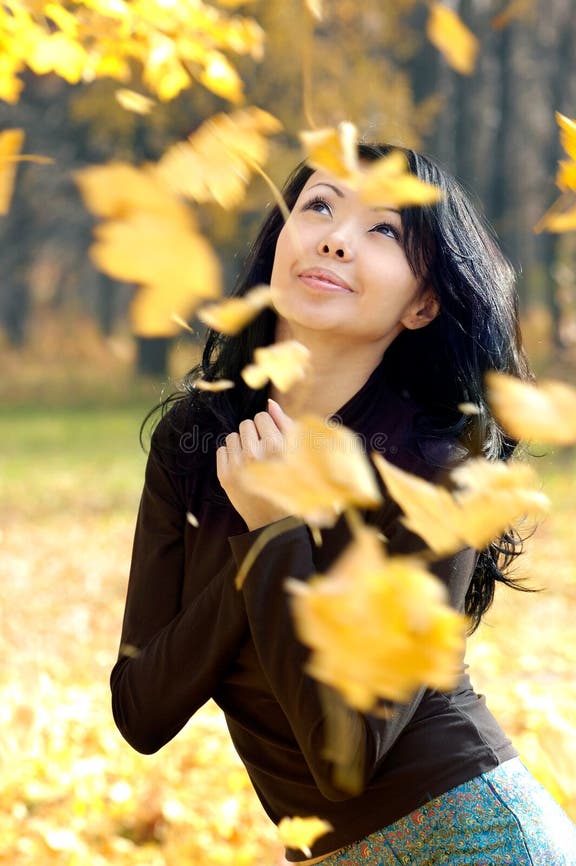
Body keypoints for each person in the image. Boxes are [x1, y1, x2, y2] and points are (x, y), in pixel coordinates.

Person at [111, 143, 576, 865]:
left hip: (473, 840)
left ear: (423, 303)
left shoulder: (436, 477)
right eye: (319, 206)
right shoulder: (196, 442)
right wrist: (258, 548)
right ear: (279, 245)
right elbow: (142, 708)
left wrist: (273, 532)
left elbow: (344, 758)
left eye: (384, 229)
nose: (334, 236)